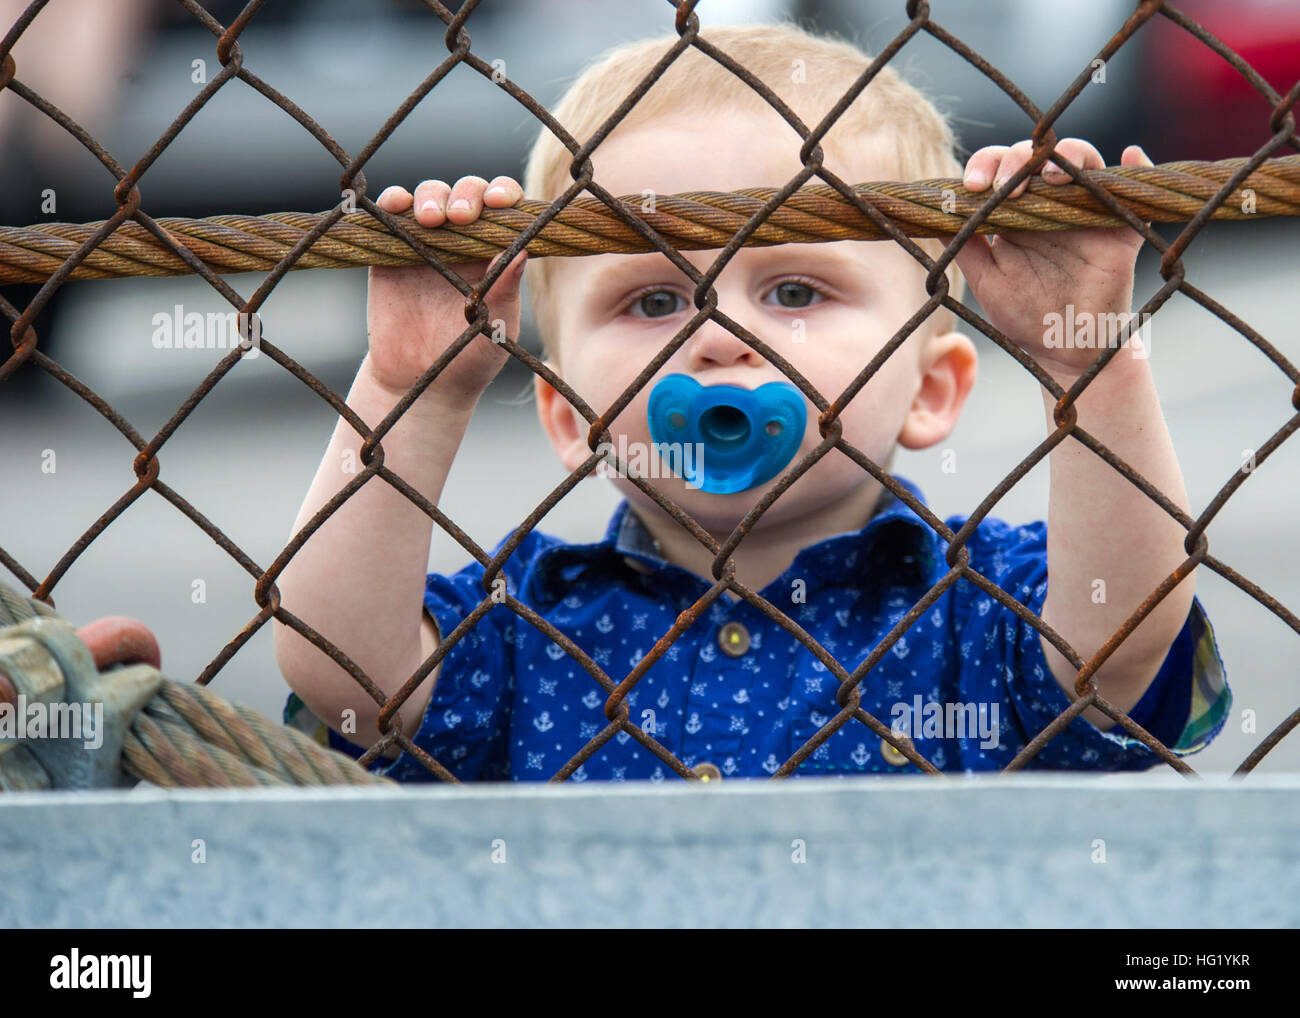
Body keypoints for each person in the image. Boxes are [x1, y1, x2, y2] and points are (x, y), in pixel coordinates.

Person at [273, 22, 1229, 782]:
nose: (717, 336)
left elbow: (1124, 647)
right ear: (570, 420)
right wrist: (411, 391)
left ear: (930, 390)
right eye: (652, 300)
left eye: (795, 291)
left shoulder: (977, 607)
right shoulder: (531, 623)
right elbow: (344, 673)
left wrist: (1087, 359)